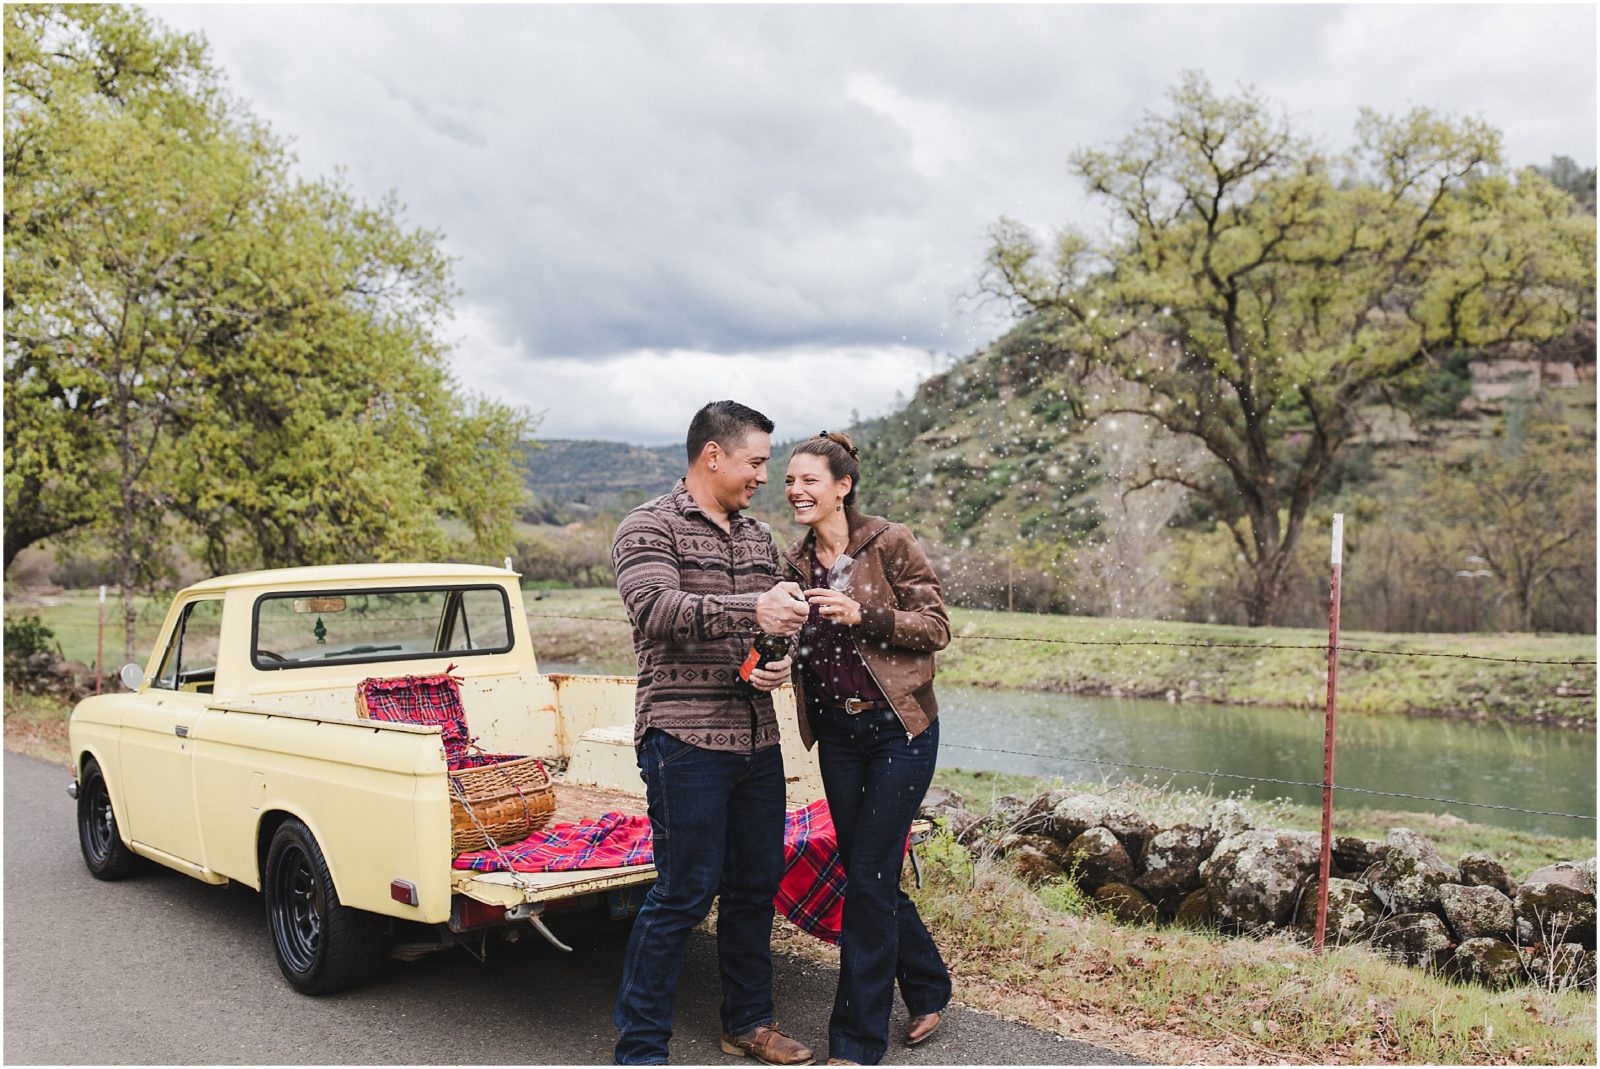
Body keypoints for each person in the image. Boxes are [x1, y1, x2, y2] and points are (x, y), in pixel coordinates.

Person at [610, 400, 817, 1067]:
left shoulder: (759, 539)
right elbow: (656, 608)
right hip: (683, 740)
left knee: (756, 885)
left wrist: (777, 658)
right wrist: (748, 606)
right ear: (713, 455)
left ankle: (748, 1023)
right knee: (682, 893)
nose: (764, 475)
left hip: (757, 741)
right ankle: (641, 1046)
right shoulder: (647, 526)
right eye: (756, 461)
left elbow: (776, 624)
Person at [779, 431, 953, 1067]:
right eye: (790, 481)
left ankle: (854, 1044)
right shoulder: (793, 563)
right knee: (868, 872)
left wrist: (864, 616)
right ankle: (930, 984)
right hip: (838, 735)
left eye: (809, 481)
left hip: (898, 731)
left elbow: (937, 628)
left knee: (870, 882)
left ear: (842, 487)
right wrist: (773, 656)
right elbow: (796, 646)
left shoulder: (890, 542)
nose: (795, 491)